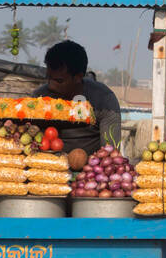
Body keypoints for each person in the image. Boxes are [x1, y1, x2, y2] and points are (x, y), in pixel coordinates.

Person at [44, 40, 121, 170]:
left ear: (78, 77)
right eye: (48, 78)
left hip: (90, 175)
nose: (51, 85)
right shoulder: (40, 97)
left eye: (59, 81)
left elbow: (110, 152)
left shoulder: (103, 100)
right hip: (49, 171)